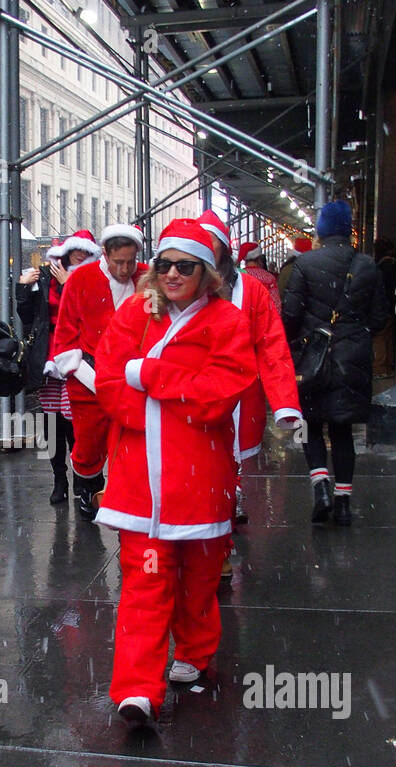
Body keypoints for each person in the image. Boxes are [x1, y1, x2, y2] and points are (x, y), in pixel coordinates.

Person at [93, 218, 258, 725]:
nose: (169, 274)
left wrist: (150, 376)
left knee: (200, 581)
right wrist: (163, 400)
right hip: (140, 481)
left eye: (183, 266)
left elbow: (217, 395)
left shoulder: (227, 322)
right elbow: (107, 379)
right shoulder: (132, 316)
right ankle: (137, 689)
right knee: (143, 583)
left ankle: (194, 649)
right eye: (162, 264)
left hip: (201, 481)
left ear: (206, 272)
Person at [281, 200, 390, 526]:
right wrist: (356, 335)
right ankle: (343, 503)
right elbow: (381, 316)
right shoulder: (367, 265)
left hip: (314, 359)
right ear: (347, 230)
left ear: (321, 230)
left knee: (311, 426)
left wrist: (300, 343)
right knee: (343, 431)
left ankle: (321, 488)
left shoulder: (304, 264)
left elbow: (290, 316)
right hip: (352, 360)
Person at [199, 211, 301, 536]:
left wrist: (284, 401)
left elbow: (272, 345)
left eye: (209, 243)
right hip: (196, 394)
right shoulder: (182, 286)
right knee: (201, 461)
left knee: (233, 464)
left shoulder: (252, 292)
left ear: (224, 249)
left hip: (242, 397)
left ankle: (227, 517)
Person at [47, 224, 149, 520]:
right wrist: (84, 374)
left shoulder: (146, 278)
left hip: (132, 378)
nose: (125, 269)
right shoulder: (82, 279)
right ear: (105, 254)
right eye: (119, 262)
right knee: (88, 444)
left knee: (133, 442)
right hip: (87, 377)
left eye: (130, 261)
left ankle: (126, 497)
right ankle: (88, 492)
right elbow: (65, 335)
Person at [16, 232, 98, 505]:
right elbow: (28, 317)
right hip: (49, 356)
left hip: (78, 358)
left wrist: (69, 286)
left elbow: (86, 315)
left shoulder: (93, 278)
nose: (80, 256)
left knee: (77, 422)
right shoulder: (48, 274)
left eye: (86, 253)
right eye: (76, 251)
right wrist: (23, 289)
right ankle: (59, 479)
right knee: (52, 424)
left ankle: (81, 478)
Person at [372, 237, 396, 378]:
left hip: (385, 305)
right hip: (394, 305)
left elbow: (383, 289)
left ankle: (380, 367)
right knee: (388, 336)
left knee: (380, 337)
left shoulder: (383, 265)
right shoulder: (394, 263)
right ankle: (388, 365)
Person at [237, 242, 282, 308]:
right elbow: (276, 304)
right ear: (259, 259)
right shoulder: (269, 277)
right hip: (264, 315)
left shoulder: (240, 276)